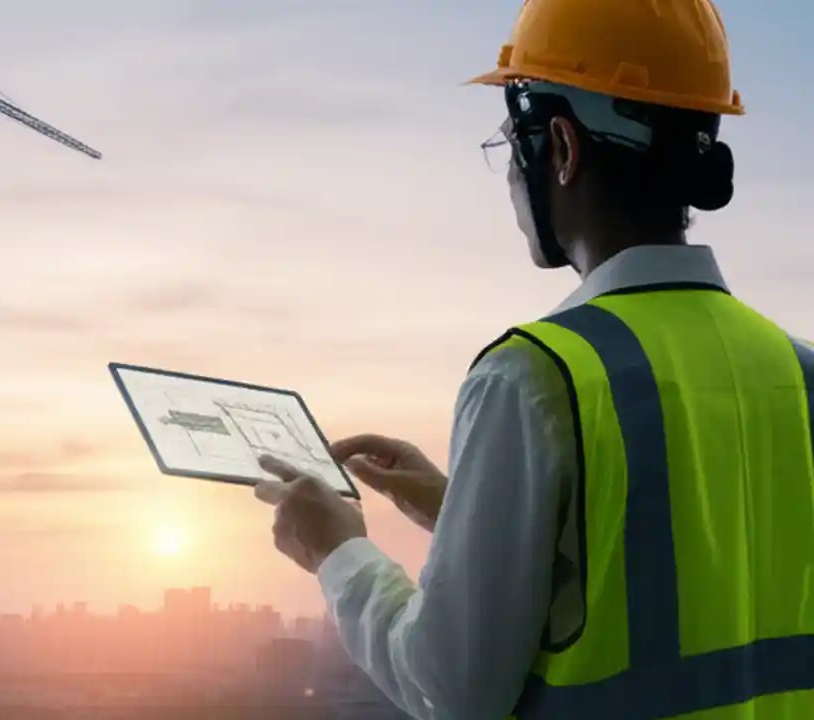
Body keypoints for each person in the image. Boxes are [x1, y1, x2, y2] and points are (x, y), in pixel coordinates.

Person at [254, 1, 814, 718]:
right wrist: (465, 511)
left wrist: (337, 554)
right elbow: (685, 575)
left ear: (560, 146)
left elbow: (451, 686)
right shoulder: (796, 370)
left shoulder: (535, 379)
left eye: (507, 145)